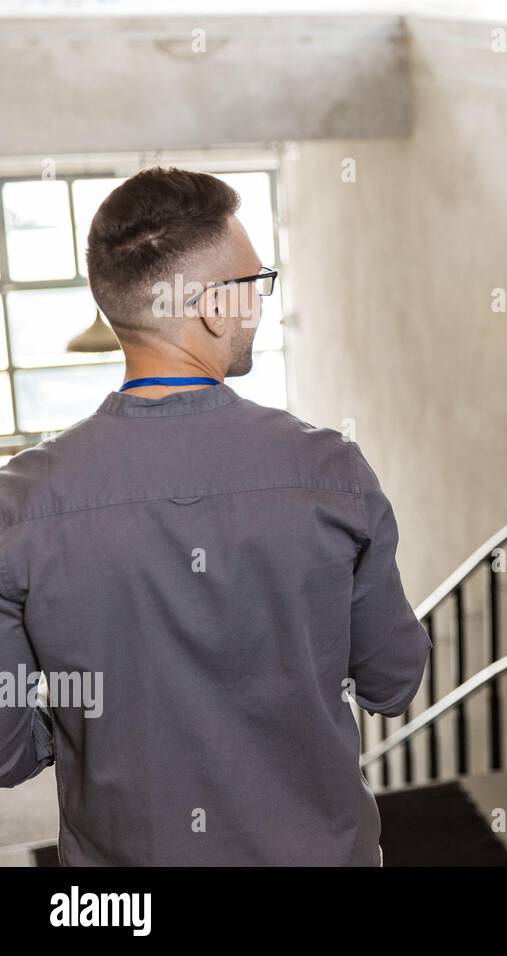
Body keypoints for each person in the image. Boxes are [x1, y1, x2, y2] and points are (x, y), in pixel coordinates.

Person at [0, 167, 430, 865]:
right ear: (210, 307)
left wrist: (82, 728)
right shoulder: (330, 472)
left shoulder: (20, 504)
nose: (260, 304)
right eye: (256, 285)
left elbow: (7, 748)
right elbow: (392, 681)